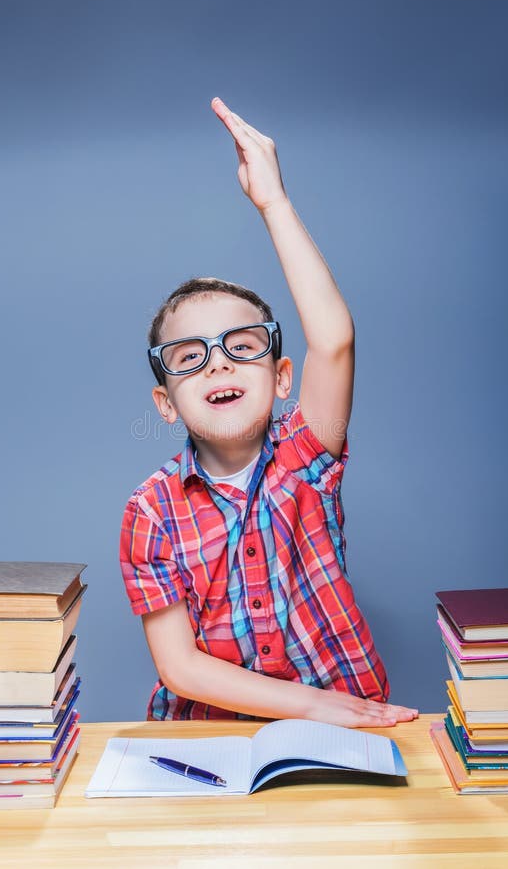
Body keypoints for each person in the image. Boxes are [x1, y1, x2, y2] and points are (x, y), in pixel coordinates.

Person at [120, 96, 418, 728]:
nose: (219, 365)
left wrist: (273, 203)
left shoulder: (307, 455)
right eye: (190, 357)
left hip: (348, 725)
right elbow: (180, 668)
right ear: (165, 404)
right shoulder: (150, 510)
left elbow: (333, 338)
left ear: (282, 378)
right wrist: (310, 707)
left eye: (242, 348)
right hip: (214, 739)